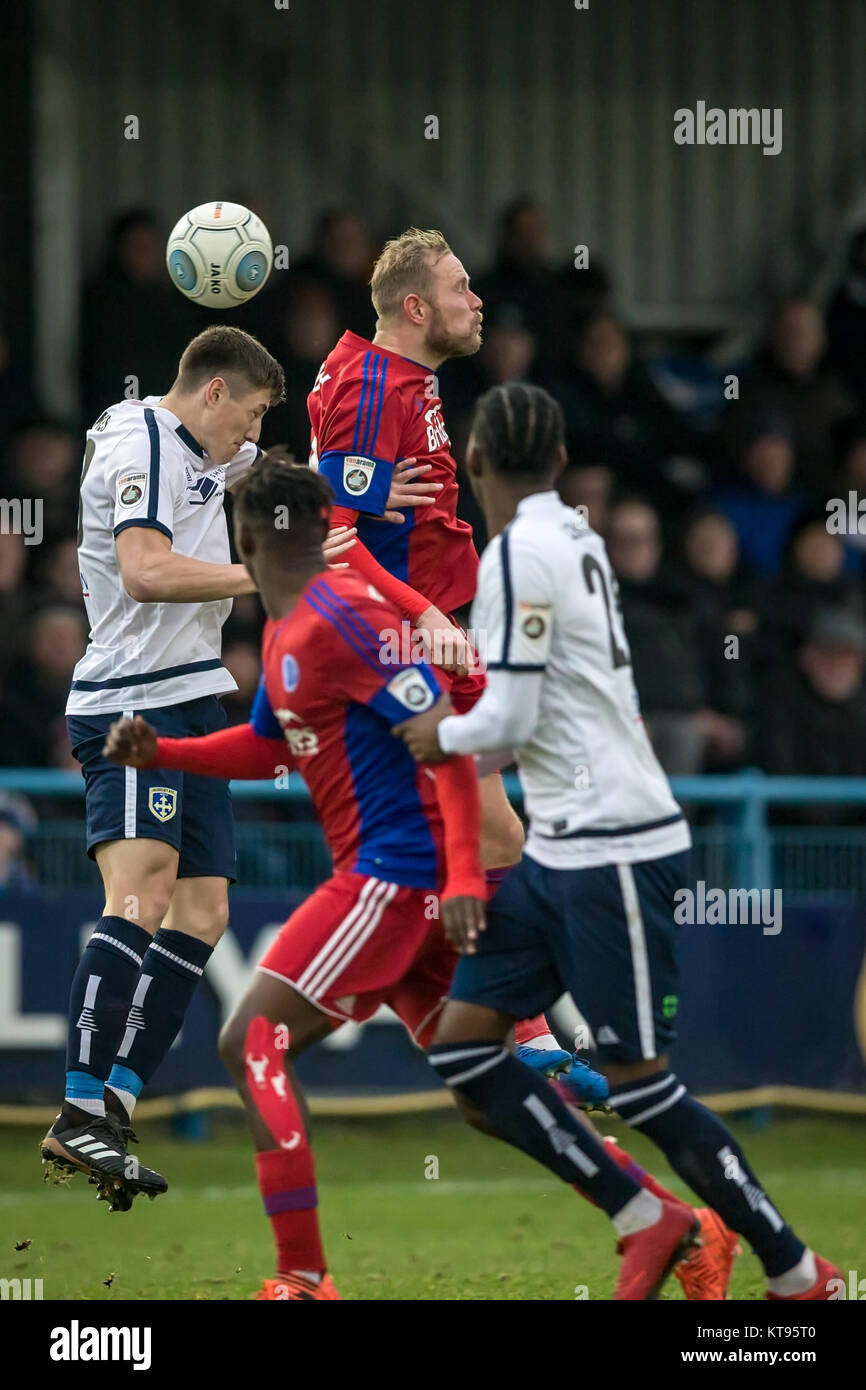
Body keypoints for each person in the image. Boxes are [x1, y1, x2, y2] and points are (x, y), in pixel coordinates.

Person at [105, 458, 714, 1302]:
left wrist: (465, 873)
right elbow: (271, 746)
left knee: (251, 1040)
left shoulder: (342, 617)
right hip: (410, 884)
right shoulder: (292, 628)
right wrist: (164, 752)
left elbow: (443, 734)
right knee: (480, 1085)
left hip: (396, 877)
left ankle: (303, 1275)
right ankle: (658, 1219)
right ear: (322, 525)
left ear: (244, 540)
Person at [396, 381, 840, 1302]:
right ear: (559, 464)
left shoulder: (519, 556)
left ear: (475, 462)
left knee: (640, 1085)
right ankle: (646, 1215)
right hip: (563, 844)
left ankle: (796, 1270)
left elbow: (508, 716)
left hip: (618, 845)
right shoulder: (576, 540)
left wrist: (444, 731)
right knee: (466, 1050)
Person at [307, 226, 571, 1075]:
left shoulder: (387, 375)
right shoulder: (374, 385)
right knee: (490, 834)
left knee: (491, 831)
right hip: (406, 641)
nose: (477, 299)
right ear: (416, 307)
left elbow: (342, 497)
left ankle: (524, 1037)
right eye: (461, 287)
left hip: (425, 628)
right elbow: (333, 545)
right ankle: (524, 1035)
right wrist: (424, 614)